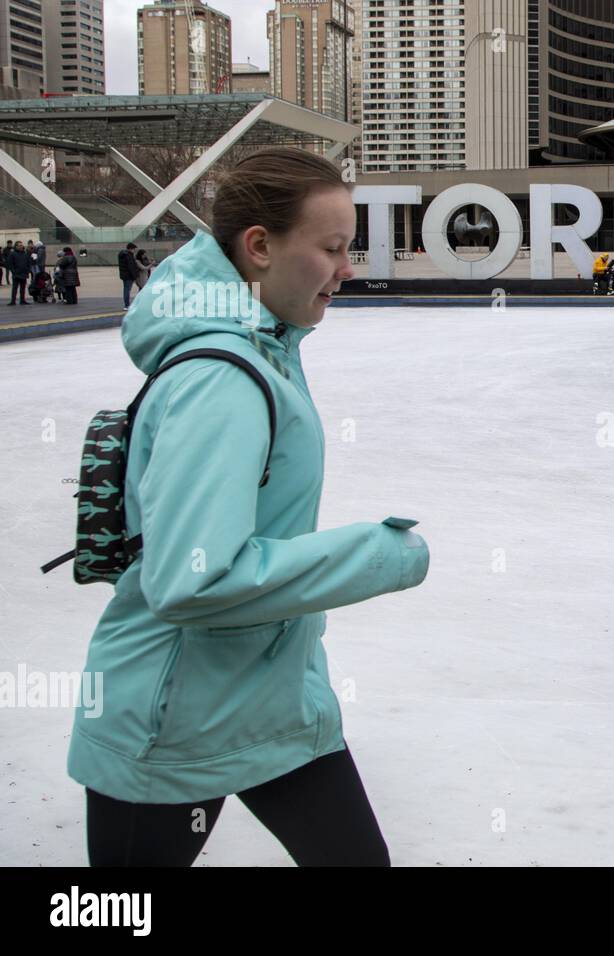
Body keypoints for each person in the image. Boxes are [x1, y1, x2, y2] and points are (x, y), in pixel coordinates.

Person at [67, 146, 430, 866]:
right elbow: (194, 577)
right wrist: (381, 554)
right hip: (171, 726)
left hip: (269, 701)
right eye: (331, 248)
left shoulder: (265, 352)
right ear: (260, 247)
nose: (347, 269)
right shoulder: (222, 379)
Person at [6, 238, 32, 305]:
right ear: (16, 246)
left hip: (24, 273)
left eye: (21, 245)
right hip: (16, 274)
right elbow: (10, 263)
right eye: (19, 245)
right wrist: (13, 271)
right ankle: (13, 301)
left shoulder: (25, 254)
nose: (21, 246)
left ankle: (22, 300)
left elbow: (28, 262)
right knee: (15, 288)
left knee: (23, 288)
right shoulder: (13, 254)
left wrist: (28, 270)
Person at [118, 241, 142, 308]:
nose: (134, 251)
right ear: (131, 248)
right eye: (134, 249)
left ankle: (127, 304)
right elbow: (131, 267)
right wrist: (135, 276)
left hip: (124, 275)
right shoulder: (128, 255)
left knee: (126, 289)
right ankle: (127, 305)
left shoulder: (123, 254)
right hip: (129, 275)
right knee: (127, 290)